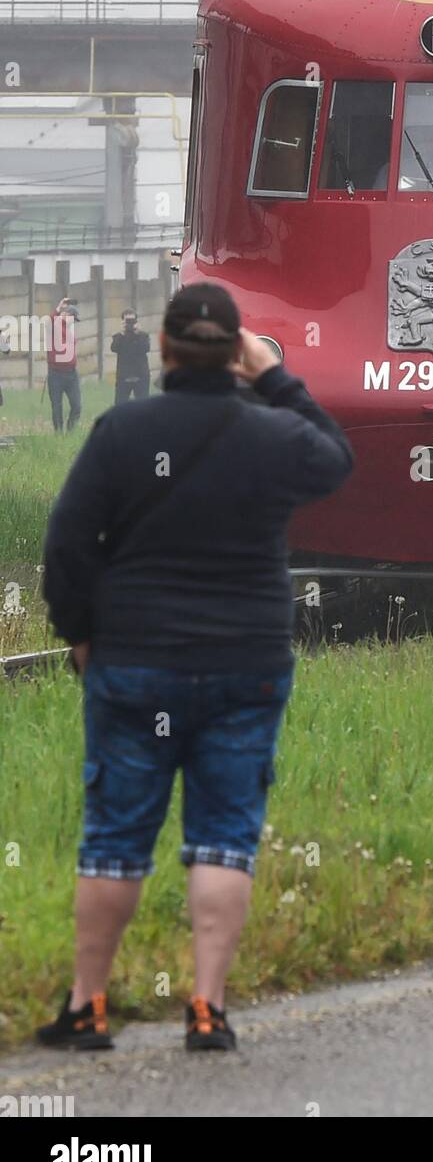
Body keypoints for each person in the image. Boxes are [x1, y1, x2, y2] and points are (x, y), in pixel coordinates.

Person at [39, 282, 353, 1052]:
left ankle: (88, 1008)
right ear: (237, 351)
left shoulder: (123, 431)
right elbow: (337, 459)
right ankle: (206, 1008)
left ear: (166, 350)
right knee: (224, 837)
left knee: (115, 836)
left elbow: (67, 546)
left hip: (135, 664)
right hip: (245, 667)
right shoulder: (273, 434)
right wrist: (273, 378)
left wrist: (83, 637)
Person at [46, 295, 82, 432]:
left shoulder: (70, 331)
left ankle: (70, 431)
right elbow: (48, 321)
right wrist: (58, 308)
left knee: (77, 405)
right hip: (56, 374)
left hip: (72, 374)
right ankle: (59, 434)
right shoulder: (54, 326)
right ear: (66, 315)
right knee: (57, 406)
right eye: (73, 318)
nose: (74, 322)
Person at [111, 309, 151, 403]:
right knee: (120, 405)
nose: (130, 324)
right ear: (122, 322)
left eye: (132, 321)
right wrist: (122, 333)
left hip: (140, 375)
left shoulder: (143, 336)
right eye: (127, 321)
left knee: (143, 406)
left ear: (136, 321)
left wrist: (138, 333)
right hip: (124, 376)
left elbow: (146, 348)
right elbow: (114, 348)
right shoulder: (118, 336)